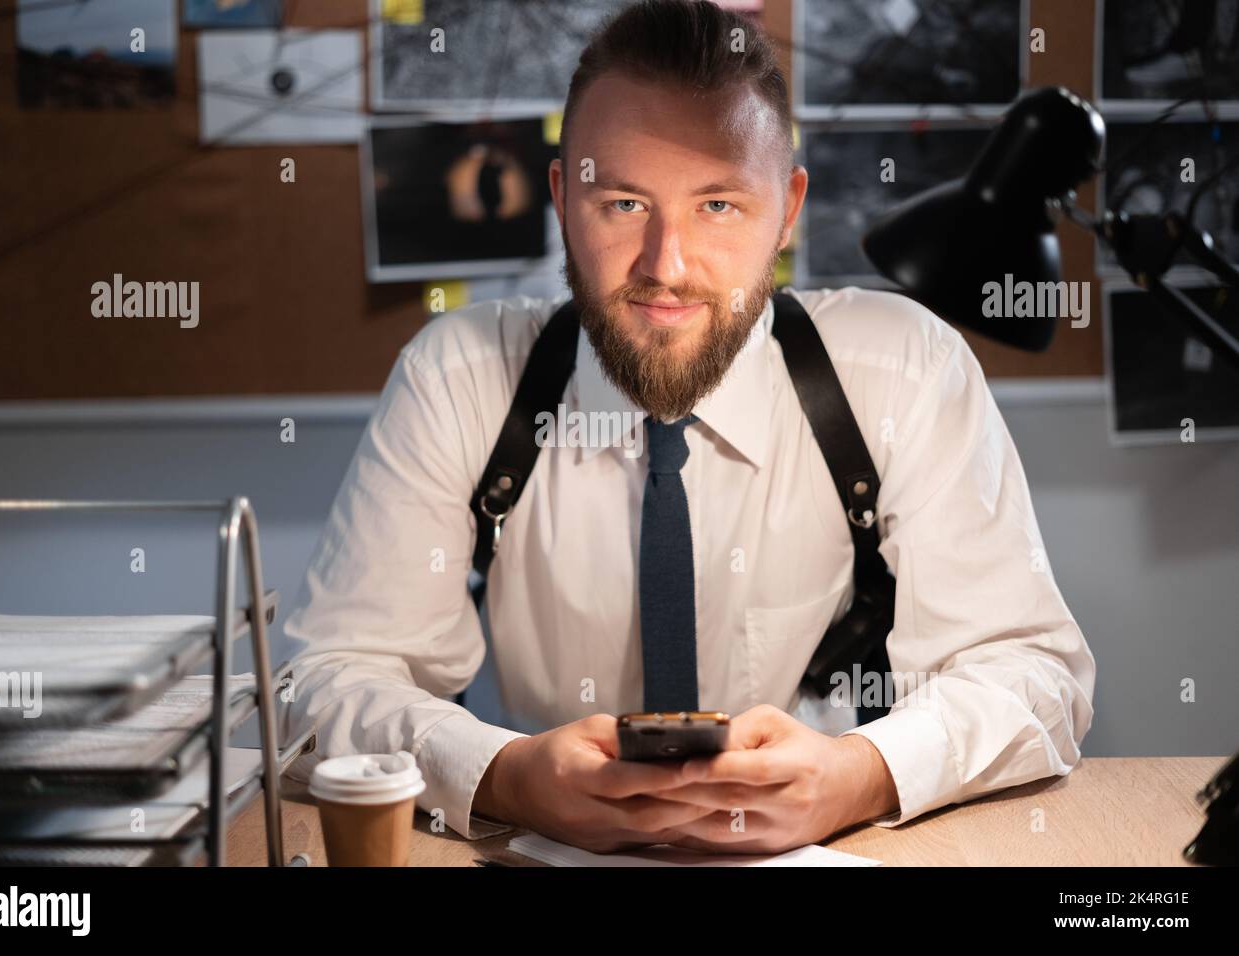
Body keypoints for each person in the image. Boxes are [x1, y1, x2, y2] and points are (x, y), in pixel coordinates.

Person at [281, 0, 1095, 855]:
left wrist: (858, 774)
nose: (664, 266)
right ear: (563, 198)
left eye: (718, 206)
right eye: (624, 202)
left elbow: (1034, 674)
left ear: (786, 211)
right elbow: (326, 681)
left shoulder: (904, 371)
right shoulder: (458, 379)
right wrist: (509, 776)